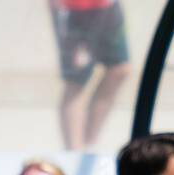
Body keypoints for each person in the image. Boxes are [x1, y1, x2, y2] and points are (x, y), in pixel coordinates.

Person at [50, 0, 131, 151]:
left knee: (119, 69)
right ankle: (75, 150)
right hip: (73, 8)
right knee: (76, 79)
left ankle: (88, 144)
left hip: (107, 6)